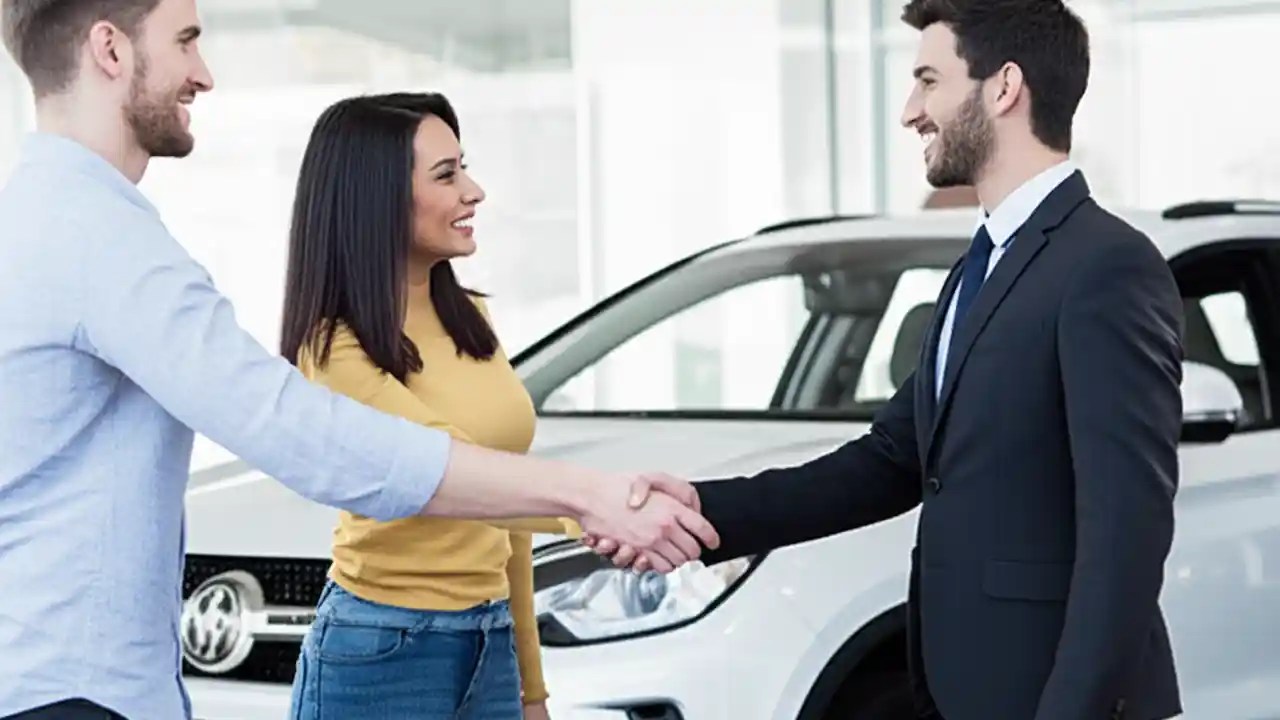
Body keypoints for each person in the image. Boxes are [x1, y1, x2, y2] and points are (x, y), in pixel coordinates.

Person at [0, 1, 714, 719]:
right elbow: (301, 432)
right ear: (110, 50)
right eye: (185, 41)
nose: (203, 74)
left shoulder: (38, 220)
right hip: (73, 696)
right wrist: (585, 497)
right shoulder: (97, 241)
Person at [593, 1, 1185, 719]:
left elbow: (1126, 533)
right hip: (960, 689)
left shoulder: (1108, 265)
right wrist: (704, 509)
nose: (911, 112)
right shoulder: (979, 266)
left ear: (1003, 88)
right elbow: (890, 460)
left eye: (928, 81)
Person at [278, 92, 573, 720]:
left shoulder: (473, 319)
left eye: (464, 167)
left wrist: (531, 687)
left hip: (489, 645)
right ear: (378, 196)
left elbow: (508, 522)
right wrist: (597, 513)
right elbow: (455, 473)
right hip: (385, 652)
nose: (475, 191)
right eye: (448, 175)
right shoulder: (334, 348)